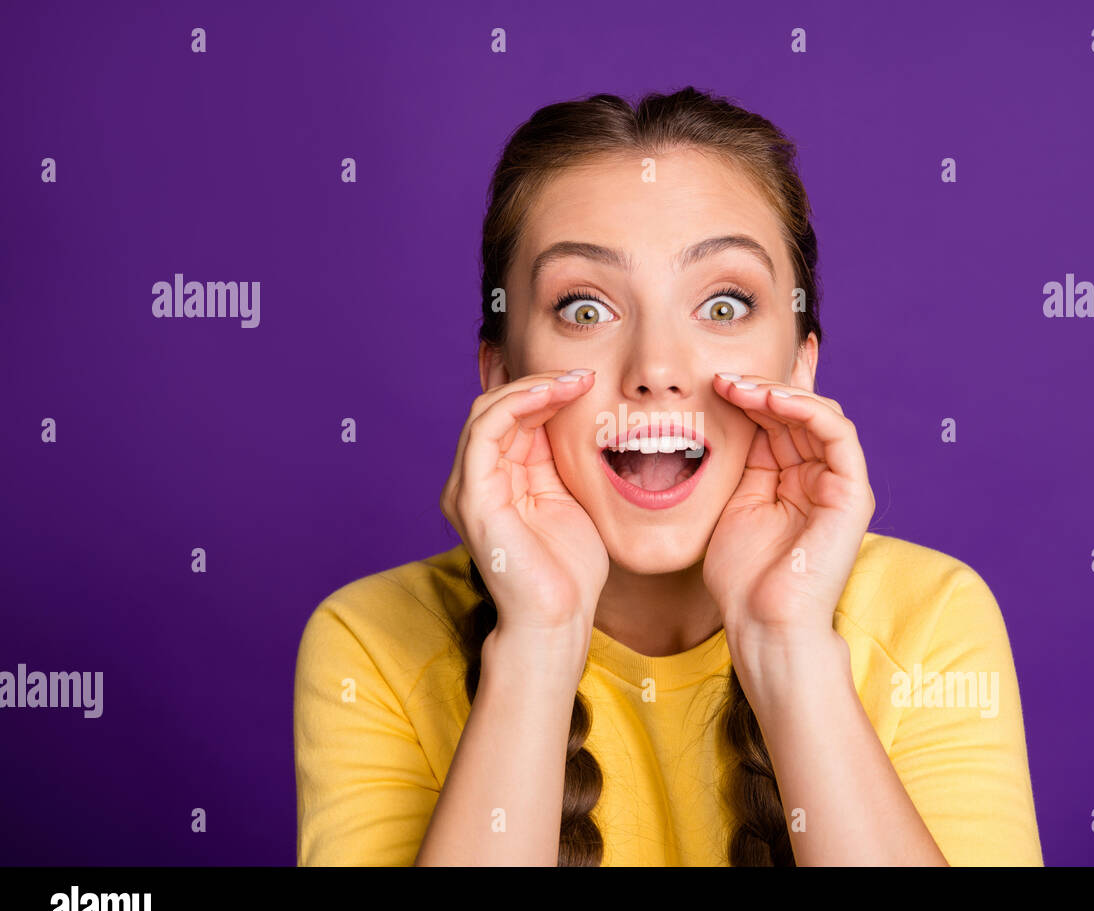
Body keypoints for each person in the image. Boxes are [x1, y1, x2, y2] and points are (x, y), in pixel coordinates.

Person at [294, 86, 1043, 866]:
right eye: (585, 309)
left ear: (798, 367)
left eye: (723, 306)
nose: (655, 369)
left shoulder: (931, 620)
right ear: (501, 376)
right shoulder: (371, 641)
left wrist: (785, 646)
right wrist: (538, 645)